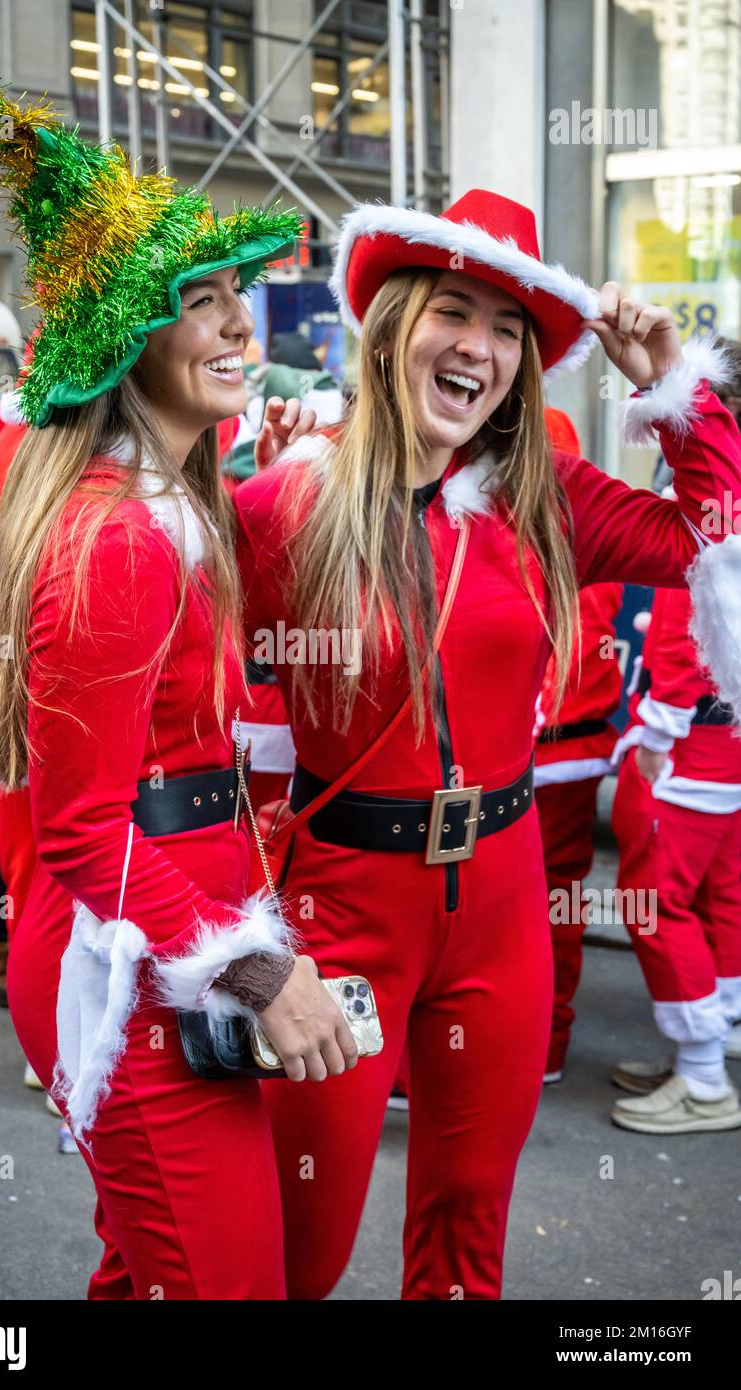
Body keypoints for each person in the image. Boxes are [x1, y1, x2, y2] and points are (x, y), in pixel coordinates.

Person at [0, 46, 352, 1300]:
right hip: (132, 972)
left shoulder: (167, 510)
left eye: (233, 295)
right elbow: (85, 831)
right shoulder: (117, 534)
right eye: (203, 300)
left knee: (153, 1275)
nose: (240, 323)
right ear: (129, 338)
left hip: (159, 942)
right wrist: (255, 966)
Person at [233, 188, 741, 1299]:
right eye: (454, 311)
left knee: (468, 1230)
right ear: (389, 325)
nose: (481, 347)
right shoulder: (280, 507)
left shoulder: (546, 494)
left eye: (509, 328)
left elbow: (711, 538)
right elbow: (187, 725)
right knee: (294, 1241)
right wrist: (237, 943)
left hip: (504, 902)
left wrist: (669, 387)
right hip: (337, 909)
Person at [609, 577, 741, 1132]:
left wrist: (658, 734)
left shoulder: (710, 518)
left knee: (655, 901)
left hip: (693, 740)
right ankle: (708, 1047)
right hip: (724, 738)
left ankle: (705, 1077)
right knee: (720, 893)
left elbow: (683, 639)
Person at [535, 577, 624, 1083]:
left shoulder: (527, 534)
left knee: (473, 906)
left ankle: (543, 1040)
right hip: (574, 749)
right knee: (558, 901)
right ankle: (548, 1041)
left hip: (537, 753)